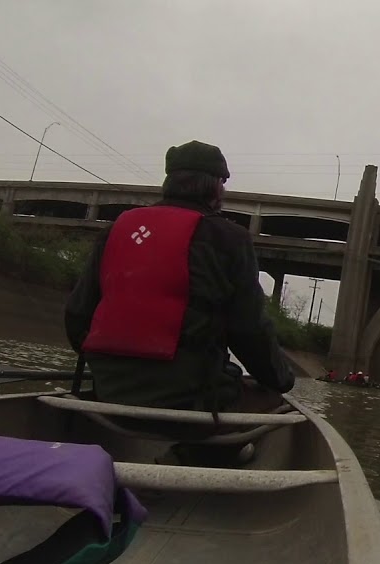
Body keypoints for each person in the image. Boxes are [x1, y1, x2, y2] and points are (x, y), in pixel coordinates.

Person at [65, 140, 294, 418]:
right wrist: (282, 380)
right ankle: (193, 453)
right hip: (190, 398)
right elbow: (249, 331)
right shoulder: (230, 238)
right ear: (216, 185)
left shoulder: (116, 229)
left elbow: (77, 317)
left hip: (107, 390)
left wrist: (115, 370)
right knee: (272, 399)